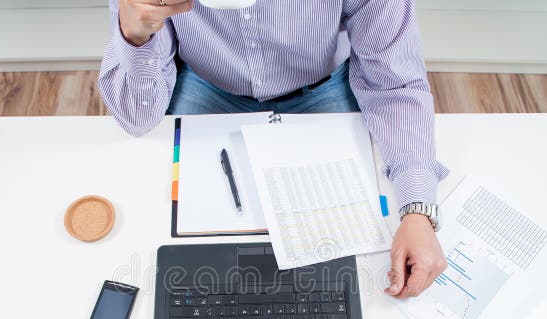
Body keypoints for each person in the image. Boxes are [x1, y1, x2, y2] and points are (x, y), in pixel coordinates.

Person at [99, 0, 448, 298]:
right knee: (180, 246)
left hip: (320, 87)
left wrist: (417, 211)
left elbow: (394, 83)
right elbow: (137, 117)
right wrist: (135, 35)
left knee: (350, 262)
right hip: (209, 85)